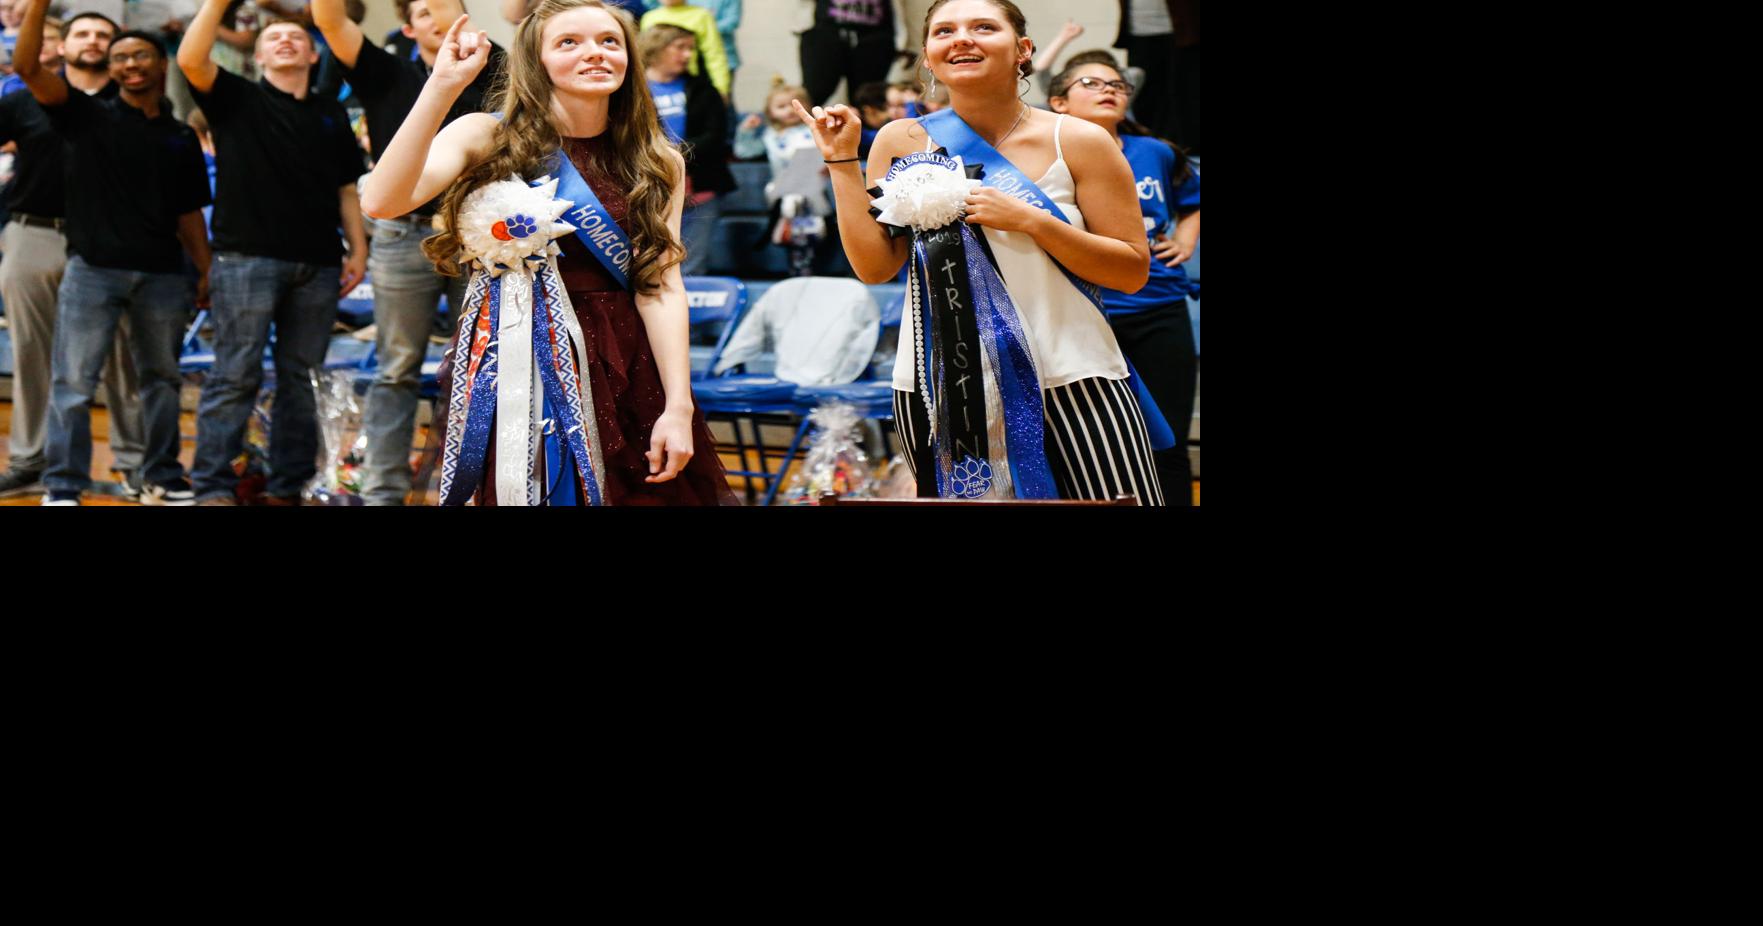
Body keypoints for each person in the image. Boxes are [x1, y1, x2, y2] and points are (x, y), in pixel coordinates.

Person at [359, 0, 732, 505]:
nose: (595, 53)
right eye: (568, 43)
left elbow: (660, 287)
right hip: (517, 357)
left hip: (625, 361)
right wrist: (442, 86)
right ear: (536, 62)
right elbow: (382, 201)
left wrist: (679, 407)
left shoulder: (658, 158)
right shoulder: (485, 135)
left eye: (609, 41)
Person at [800, 0, 1169, 503]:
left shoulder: (1080, 140)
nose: (961, 39)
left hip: (1074, 375)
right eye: (944, 31)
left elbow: (1130, 272)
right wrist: (842, 161)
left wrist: (1033, 222)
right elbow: (874, 267)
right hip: (936, 384)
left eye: (984, 27)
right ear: (928, 58)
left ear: (1023, 50)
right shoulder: (898, 139)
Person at [17, 0, 211, 505]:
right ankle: (62, 485)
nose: (129, 63)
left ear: (161, 63)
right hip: (93, 270)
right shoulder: (85, 117)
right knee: (74, 385)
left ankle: (163, 477)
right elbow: (26, 68)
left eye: (140, 55)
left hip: (163, 274)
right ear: (112, 68)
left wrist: (205, 269)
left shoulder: (179, 137)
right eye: (120, 57)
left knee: (162, 381)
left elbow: (189, 212)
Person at [310, 0, 503, 505]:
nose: (436, 17)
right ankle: (381, 493)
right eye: (423, 11)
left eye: (445, 5)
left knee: (488, 367)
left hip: (486, 235)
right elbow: (329, 18)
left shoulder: (502, 64)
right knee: (396, 368)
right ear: (407, 26)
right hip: (403, 234)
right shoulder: (385, 69)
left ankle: (482, 488)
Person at [178, 0, 368, 505]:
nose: (285, 42)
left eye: (296, 38)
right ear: (257, 58)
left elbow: (347, 187)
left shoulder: (330, 111)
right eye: (273, 40)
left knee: (300, 382)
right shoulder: (235, 97)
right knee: (233, 375)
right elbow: (191, 60)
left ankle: (287, 487)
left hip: (320, 262)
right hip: (245, 259)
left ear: (312, 54)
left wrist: (359, 249)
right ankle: (214, 488)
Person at [0, 8, 149, 498]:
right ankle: (30, 458)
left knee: (124, 356)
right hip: (35, 232)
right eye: (81, 33)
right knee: (31, 352)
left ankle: (133, 463)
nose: (92, 40)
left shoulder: (134, 102)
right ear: (60, 46)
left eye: (103, 34)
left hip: (112, 243)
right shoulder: (24, 100)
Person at [1049, 53, 1197, 505]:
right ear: (1059, 102)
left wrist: (1186, 242)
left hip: (1157, 307)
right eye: (1092, 83)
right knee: (1087, 441)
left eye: (1117, 85)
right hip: (1081, 311)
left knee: (1168, 438)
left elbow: (1193, 199)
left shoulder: (1156, 151)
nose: (1109, 90)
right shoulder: (1045, 153)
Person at [638, 22, 729, 275]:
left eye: (691, 48)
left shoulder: (703, 88)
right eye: (680, 47)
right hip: (651, 189)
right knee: (652, 266)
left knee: (692, 267)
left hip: (701, 188)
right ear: (656, 47)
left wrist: (676, 157)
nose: (688, 55)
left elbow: (715, 136)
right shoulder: (631, 90)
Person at [637, 0, 726, 102]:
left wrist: (721, 89)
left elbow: (714, 55)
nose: (688, 54)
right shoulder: (649, 17)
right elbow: (645, 53)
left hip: (692, 84)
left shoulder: (701, 15)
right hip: (656, 84)